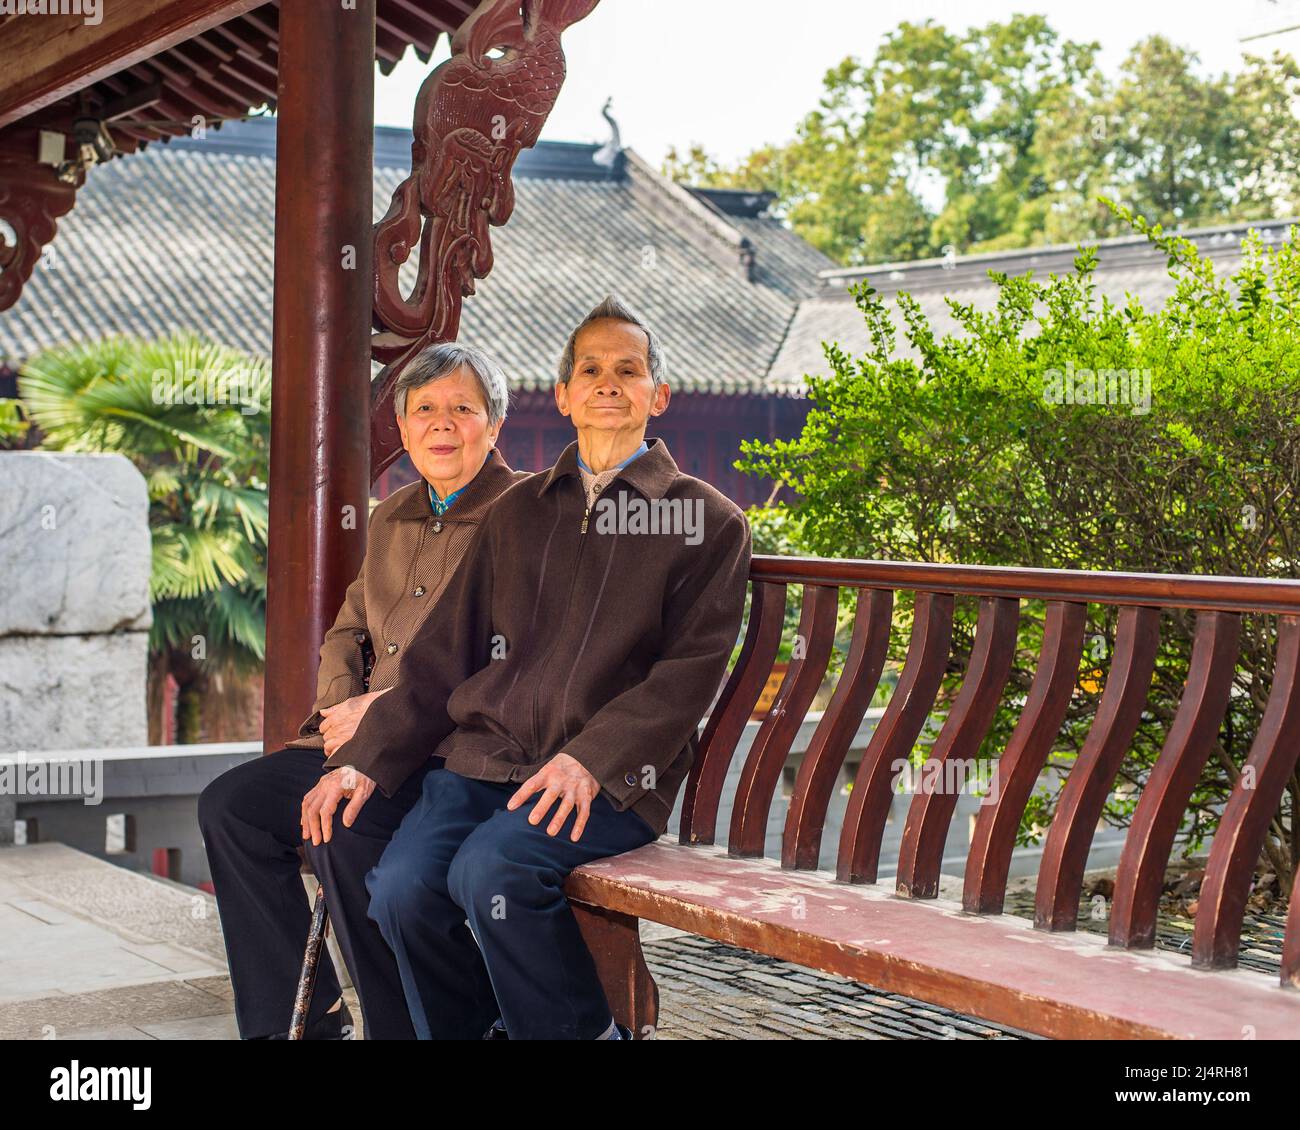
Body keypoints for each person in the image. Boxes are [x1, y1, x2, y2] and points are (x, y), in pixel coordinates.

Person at [325, 295, 752, 1039]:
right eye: (590, 368)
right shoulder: (520, 511)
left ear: (659, 394)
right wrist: (367, 758)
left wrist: (592, 758)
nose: (608, 382)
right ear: (562, 396)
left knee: (490, 873)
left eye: (629, 368)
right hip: (485, 761)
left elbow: (688, 674)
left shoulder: (704, 519)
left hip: (608, 779)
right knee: (397, 889)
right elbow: (441, 657)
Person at [198, 343, 528, 1039]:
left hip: (446, 751)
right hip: (355, 741)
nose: (443, 424)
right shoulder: (391, 517)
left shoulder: (525, 518)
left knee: (340, 832)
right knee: (232, 807)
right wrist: (344, 708)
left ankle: (408, 1027)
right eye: (424, 411)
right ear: (404, 431)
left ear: (493, 425)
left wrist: (378, 712)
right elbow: (347, 631)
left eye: (462, 409)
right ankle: (300, 1027)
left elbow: (506, 657)